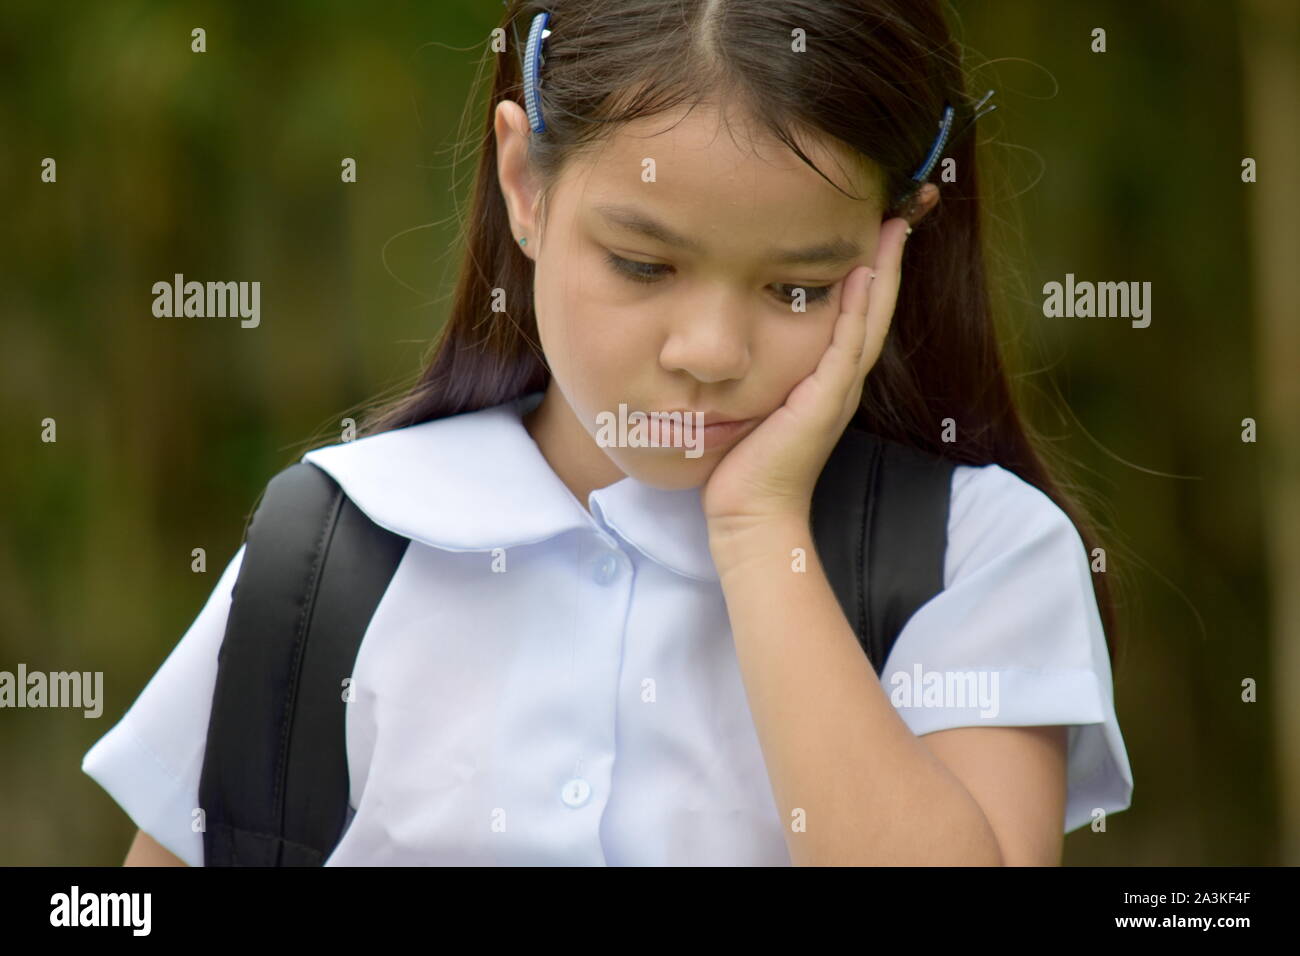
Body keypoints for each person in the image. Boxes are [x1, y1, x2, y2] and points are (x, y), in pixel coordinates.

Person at [84, 0, 1133, 866]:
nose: (711, 348)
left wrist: (761, 528)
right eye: (643, 264)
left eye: (798, 286)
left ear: (894, 245)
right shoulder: (337, 543)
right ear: (525, 183)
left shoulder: (975, 554)